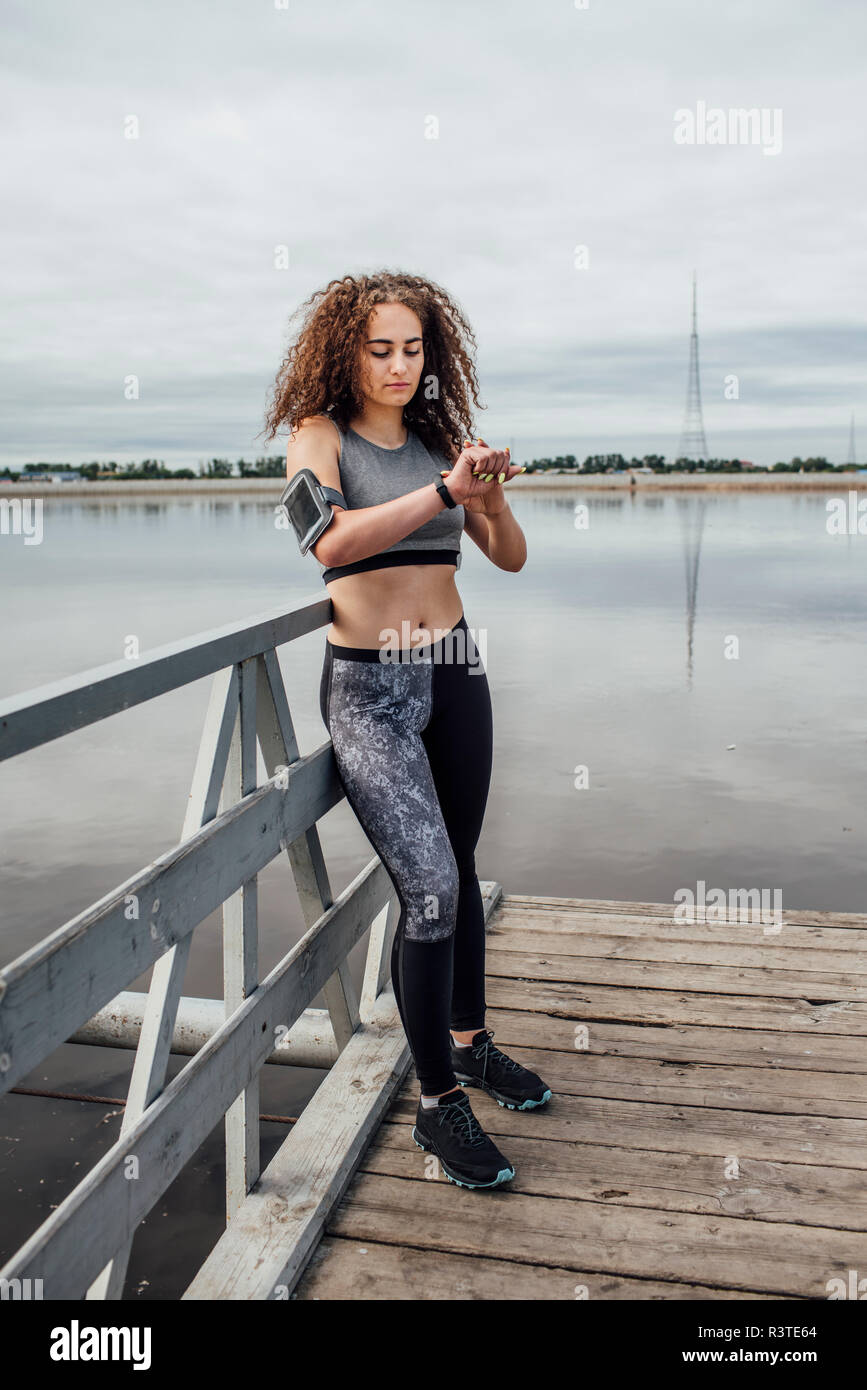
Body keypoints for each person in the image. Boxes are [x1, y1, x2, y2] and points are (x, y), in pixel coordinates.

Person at [263, 270, 552, 1190]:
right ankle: (436, 1108)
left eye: (413, 348)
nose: (398, 364)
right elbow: (329, 545)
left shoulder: (438, 440)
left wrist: (488, 496)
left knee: (458, 870)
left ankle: (469, 1047)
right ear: (343, 351)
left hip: (454, 672)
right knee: (426, 886)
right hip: (372, 693)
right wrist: (439, 493)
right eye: (379, 348)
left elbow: (506, 557)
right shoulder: (320, 437)